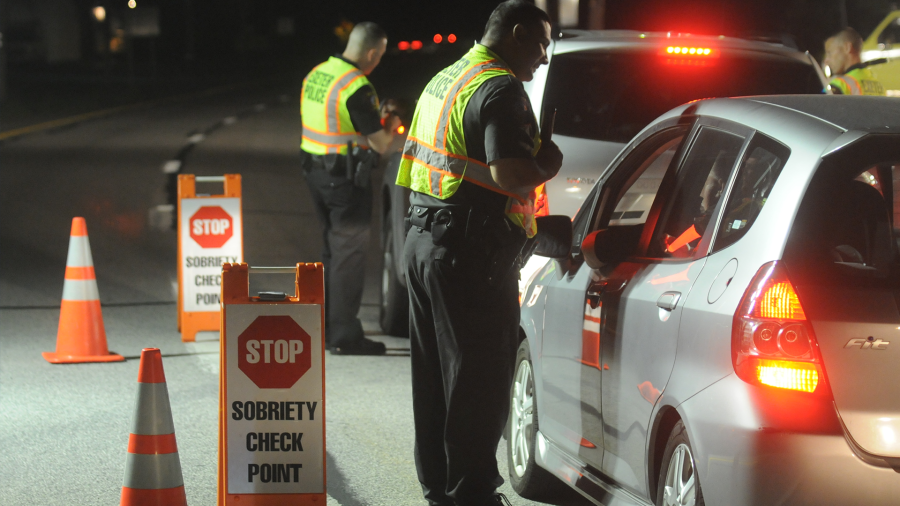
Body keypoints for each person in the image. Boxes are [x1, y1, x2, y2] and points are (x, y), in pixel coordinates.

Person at [396, 1, 563, 505]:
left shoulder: (446, 77)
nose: (545, 57)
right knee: (479, 376)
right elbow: (509, 174)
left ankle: (440, 488)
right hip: (468, 254)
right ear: (515, 34)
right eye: (540, 43)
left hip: (425, 242)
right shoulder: (502, 88)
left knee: (435, 378)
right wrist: (548, 164)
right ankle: (470, 492)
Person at [300, 22, 401, 355]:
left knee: (332, 252)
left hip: (315, 172)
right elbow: (381, 143)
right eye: (381, 55)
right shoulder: (357, 87)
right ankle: (344, 335)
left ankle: (327, 326)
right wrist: (391, 123)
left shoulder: (318, 73)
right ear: (372, 52)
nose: (379, 61)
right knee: (349, 256)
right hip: (343, 180)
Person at [823, 27, 886, 95]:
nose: (826, 60)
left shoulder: (839, 84)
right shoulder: (878, 84)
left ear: (847, 47)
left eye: (829, 53)